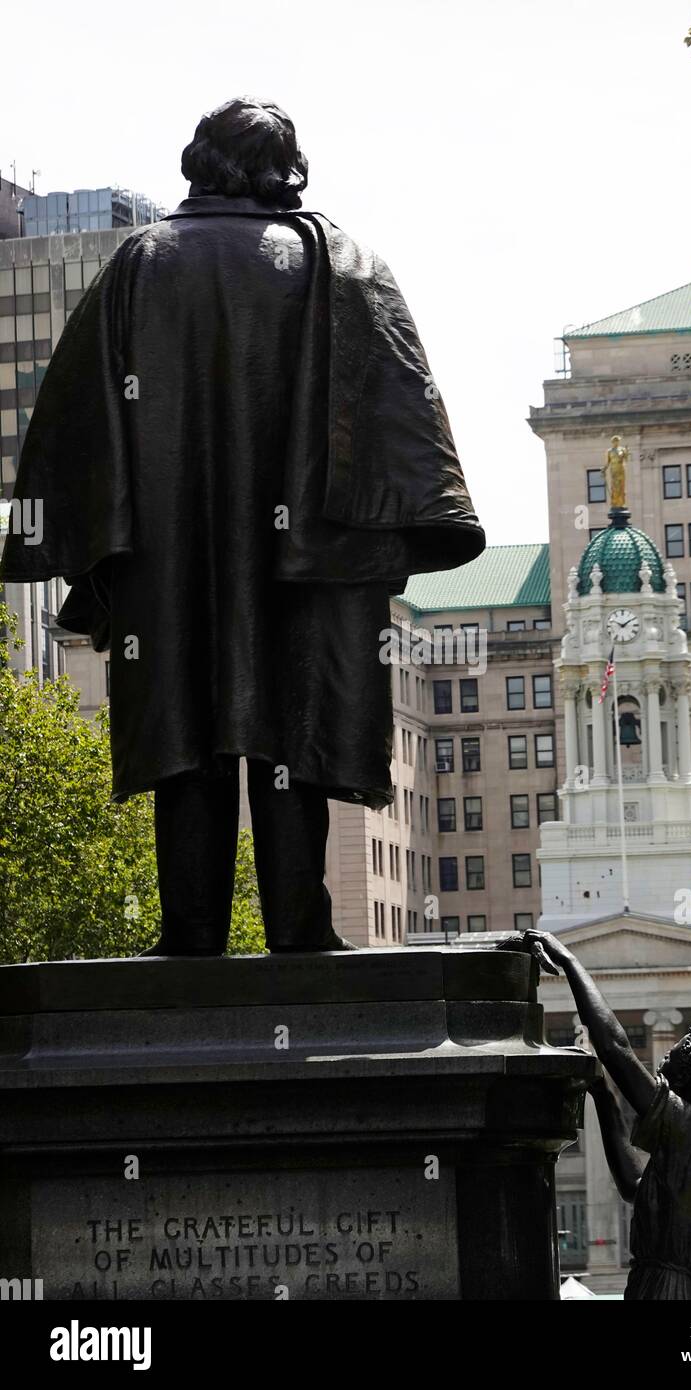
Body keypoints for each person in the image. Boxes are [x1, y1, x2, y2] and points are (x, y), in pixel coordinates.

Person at [0, 98, 485, 957]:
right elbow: (398, 410)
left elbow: (77, 420)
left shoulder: (141, 262)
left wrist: (97, 539)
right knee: (290, 729)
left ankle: (189, 938)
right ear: (283, 167)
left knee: (187, 734)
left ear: (201, 160)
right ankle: (302, 932)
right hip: (303, 554)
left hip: (170, 556)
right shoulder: (339, 262)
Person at [502, 929, 691, 1300]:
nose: (664, 1058)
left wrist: (569, 962)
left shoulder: (689, 1128)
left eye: (675, 1054)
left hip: (677, 1292)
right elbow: (635, 1188)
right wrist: (604, 1096)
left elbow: (615, 1046)